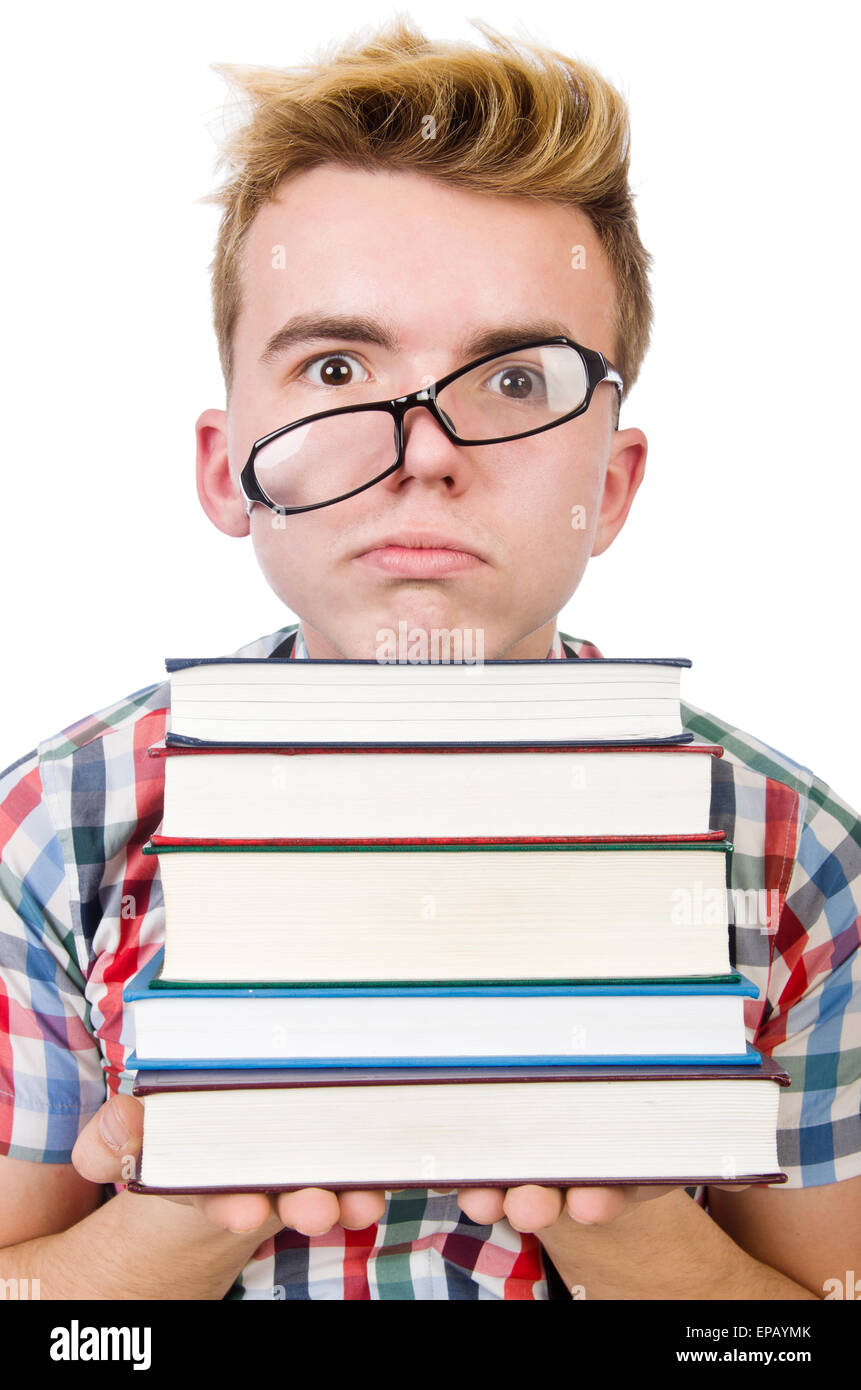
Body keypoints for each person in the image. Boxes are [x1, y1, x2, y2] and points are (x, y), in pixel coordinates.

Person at [0, 18, 858, 1301]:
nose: (422, 452)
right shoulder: (56, 835)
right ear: (224, 469)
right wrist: (183, 1216)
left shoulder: (800, 859)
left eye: (513, 383)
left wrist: (628, 1217)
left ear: (612, 485)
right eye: (339, 365)